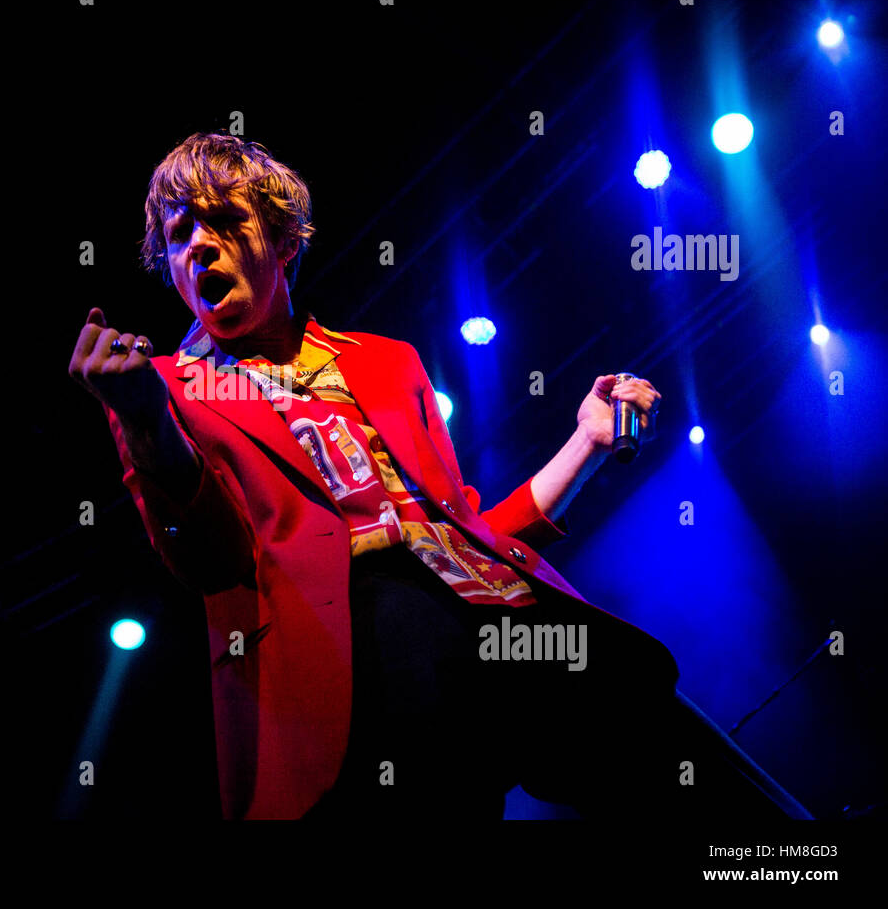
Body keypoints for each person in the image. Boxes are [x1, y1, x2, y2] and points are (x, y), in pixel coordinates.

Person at [69, 132, 688, 820]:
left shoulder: (387, 361)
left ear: (283, 243)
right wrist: (148, 422)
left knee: (650, 711)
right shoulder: (162, 389)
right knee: (404, 622)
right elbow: (209, 561)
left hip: (484, 622)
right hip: (357, 654)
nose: (199, 245)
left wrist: (587, 443)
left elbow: (471, 537)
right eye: (180, 233)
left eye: (225, 221)